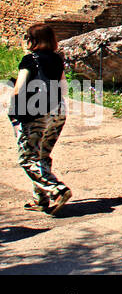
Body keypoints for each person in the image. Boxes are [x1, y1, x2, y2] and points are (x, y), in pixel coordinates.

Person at [7, 23, 72, 214]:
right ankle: (41, 199)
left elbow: (19, 89)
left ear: (33, 40)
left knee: (28, 159)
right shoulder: (57, 59)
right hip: (57, 112)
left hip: (35, 114)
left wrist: (16, 113)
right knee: (41, 156)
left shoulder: (30, 60)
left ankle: (57, 190)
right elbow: (64, 88)